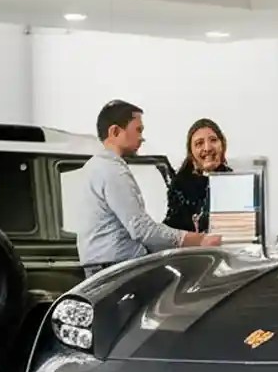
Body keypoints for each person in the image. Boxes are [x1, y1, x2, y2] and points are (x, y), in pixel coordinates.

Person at [76, 100, 220, 277]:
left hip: (102, 267)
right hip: (118, 269)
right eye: (138, 129)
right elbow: (143, 230)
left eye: (213, 140)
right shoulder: (113, 171)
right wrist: (200, 240)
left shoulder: (93, 167)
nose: (142, 137)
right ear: (115, 131)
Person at [164, 118, 231, 233]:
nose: (207, 148)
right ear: (191, 152)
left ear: (223, 145)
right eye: (199, 143)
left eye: (213, 140)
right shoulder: (179, 186)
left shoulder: (235, 181)